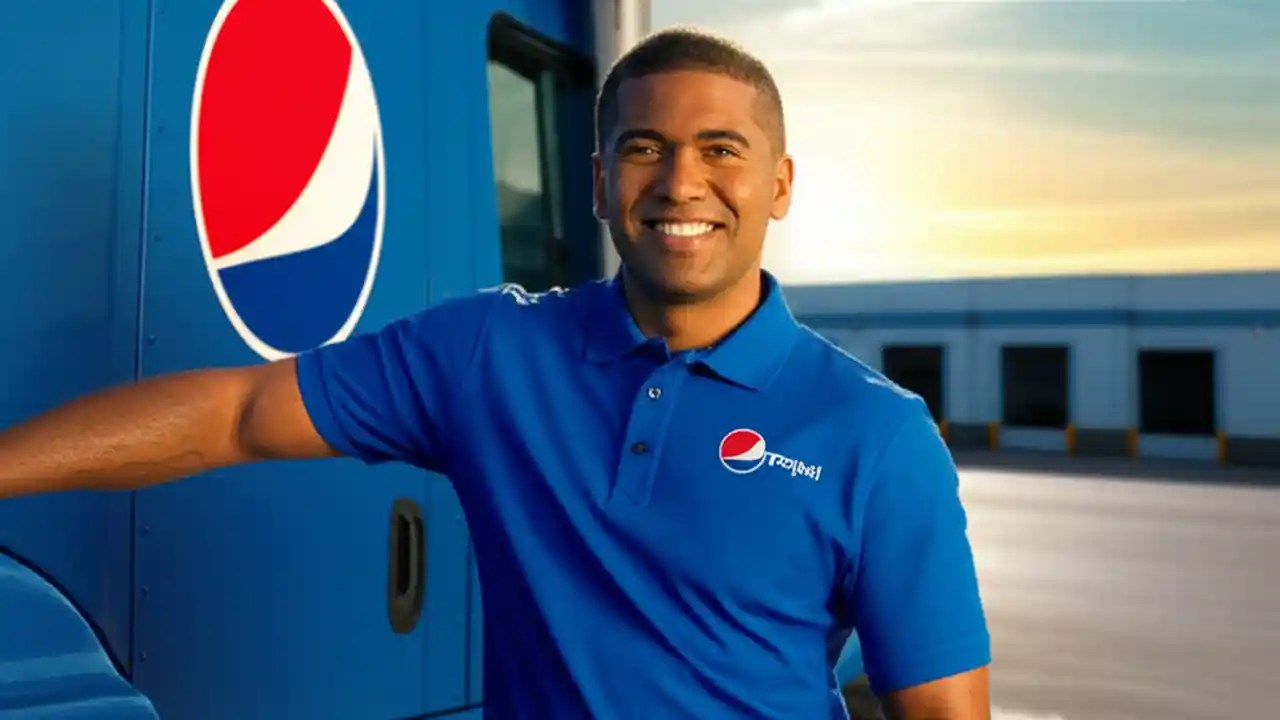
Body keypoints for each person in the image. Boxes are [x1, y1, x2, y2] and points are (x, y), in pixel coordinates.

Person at [0, 26, 990, 720]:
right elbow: (234, 413)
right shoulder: (491, 357)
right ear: (599, 183)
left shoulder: (877, 436)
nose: (680, 182)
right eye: (643, 148)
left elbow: (942, 710)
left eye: (719, 150)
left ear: (777, 184)